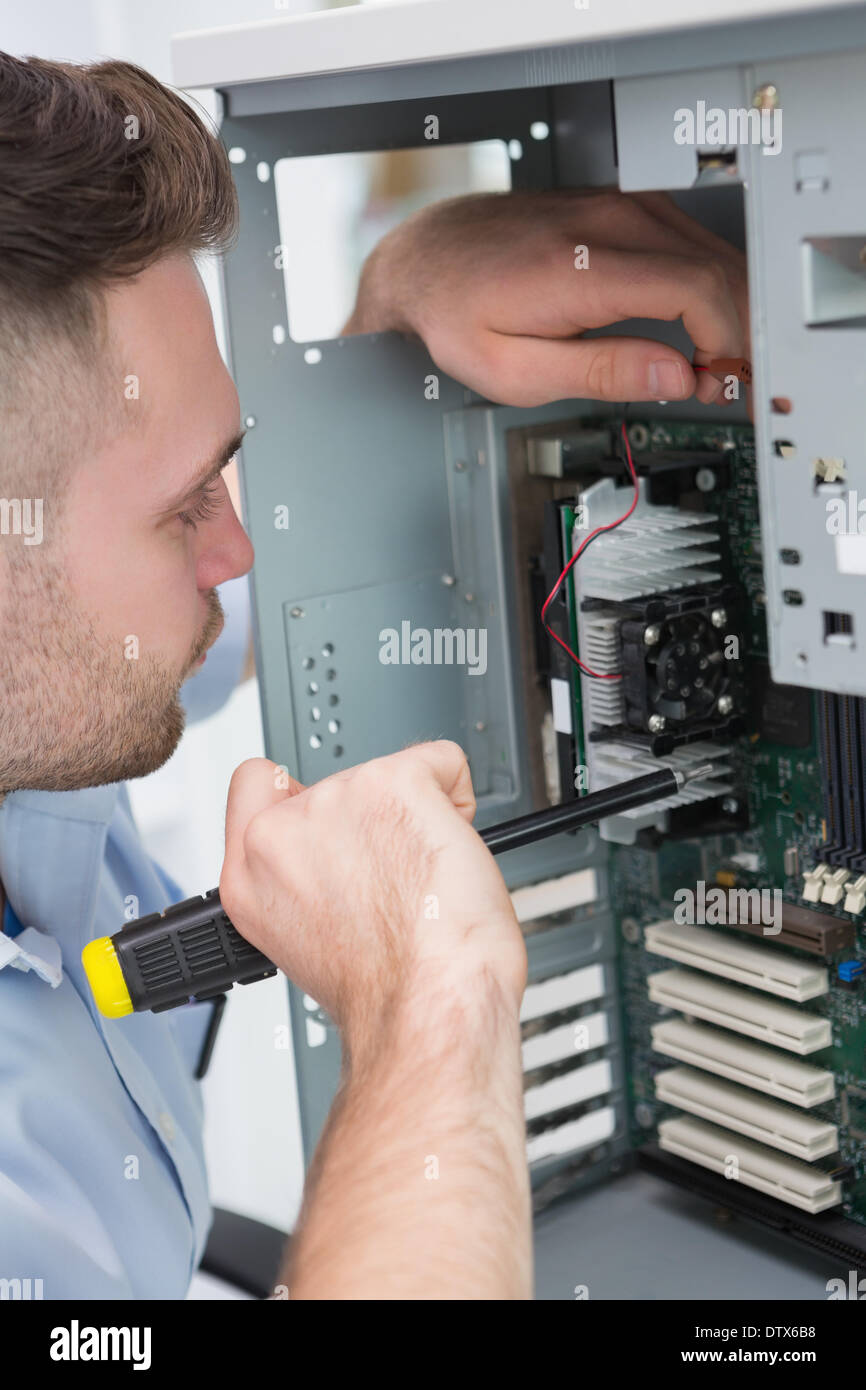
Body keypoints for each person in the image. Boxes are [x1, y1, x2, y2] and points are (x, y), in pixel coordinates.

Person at [0, 52, 749, 1301]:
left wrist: (397, 325)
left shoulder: (47, 676)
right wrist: (424, 1007)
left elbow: (294, 587)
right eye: (182, 509)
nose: (239, 552)